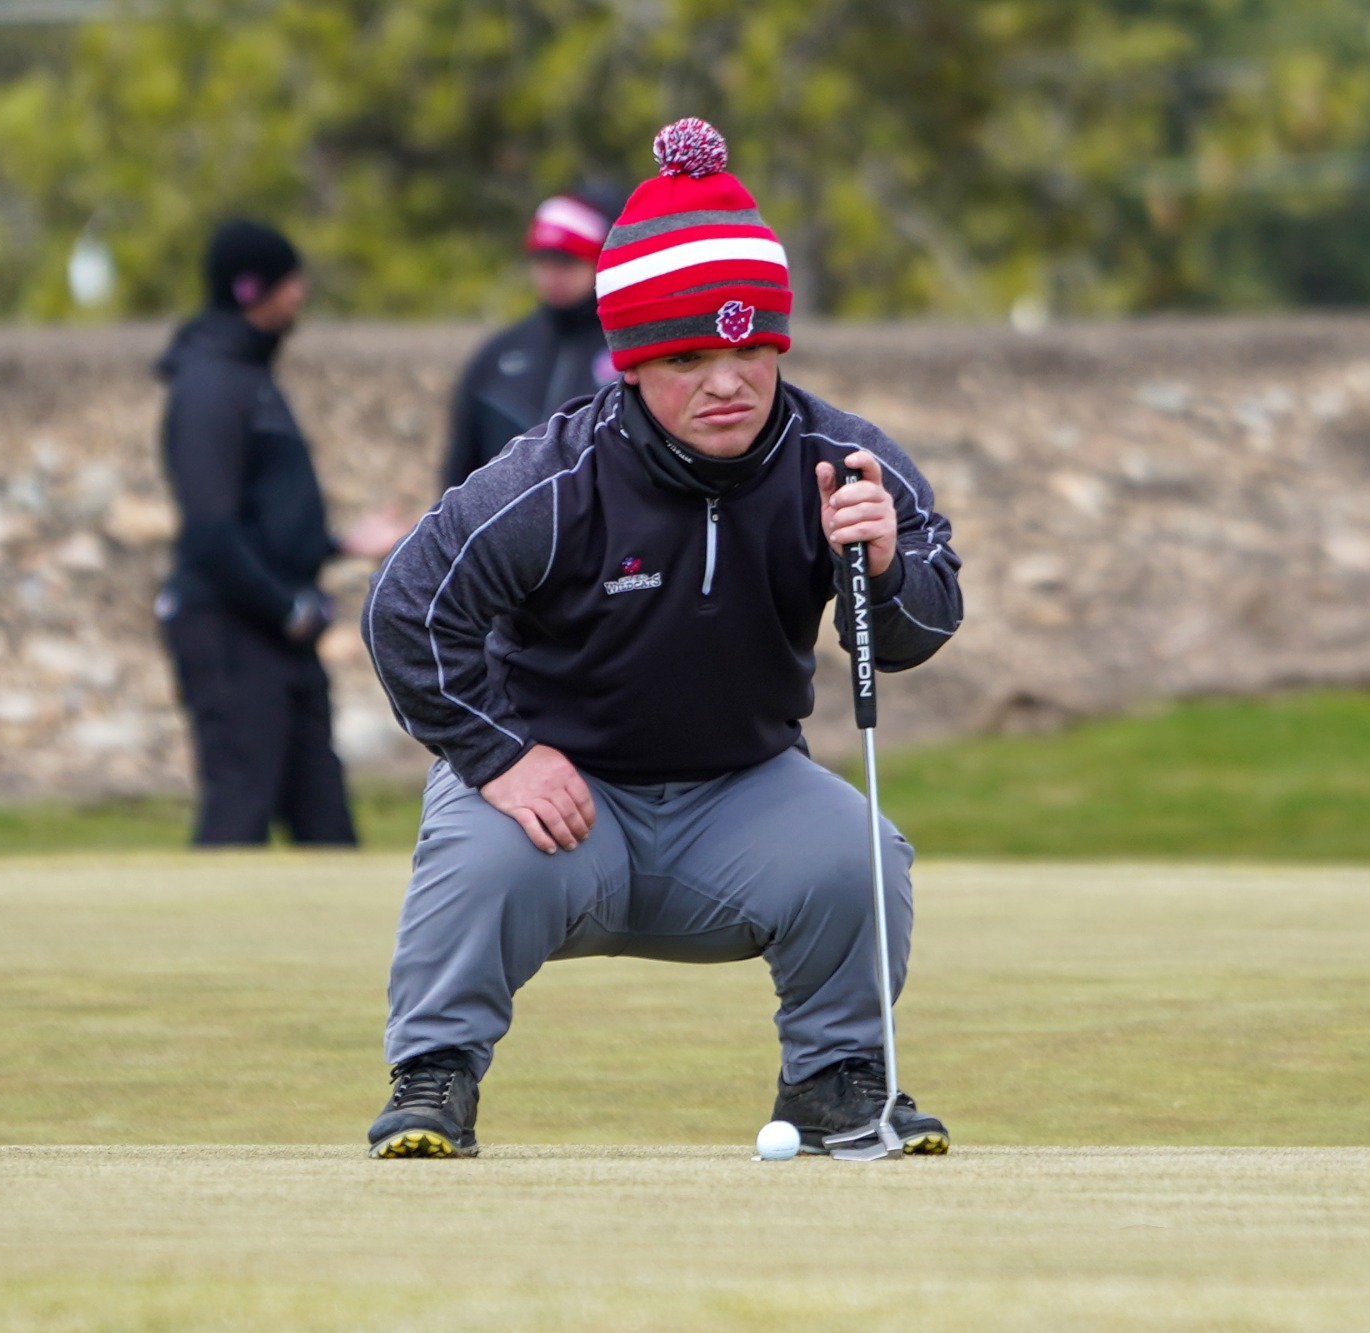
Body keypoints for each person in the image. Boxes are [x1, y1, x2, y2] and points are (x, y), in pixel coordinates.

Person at [360, 120, 963, 1158]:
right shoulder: (555, 477)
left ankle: (836, 1084)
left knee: (857, 854)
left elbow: (919, 627)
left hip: (740, 794)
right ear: (632, 364)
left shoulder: (845, 464)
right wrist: (499, 756)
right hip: (562, 799)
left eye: (747, 348)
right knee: (479, 864)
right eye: (687, 356)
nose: (724, 381)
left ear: (777, 343)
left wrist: (879, 569)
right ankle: (433, 1081)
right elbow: (407, 607)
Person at [154, 219, 404, 847]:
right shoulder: (210, 384)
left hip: (277, 629)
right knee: (240, 807)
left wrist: (340, 546)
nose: (300, 294)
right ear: (250, 290)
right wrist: (286, 605)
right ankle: (203, 943)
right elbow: (211, 531)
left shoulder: (248, 376)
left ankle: (338, 944)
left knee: (324, 817)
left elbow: (266, 518)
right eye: (288, 282)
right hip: (231, 626)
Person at [439, 186, 625, 490]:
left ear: (600, 261)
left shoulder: (629, 349)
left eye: (567, 262)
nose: (552, 276)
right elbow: (458, 476)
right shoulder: (498, 356)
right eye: (542, 261)